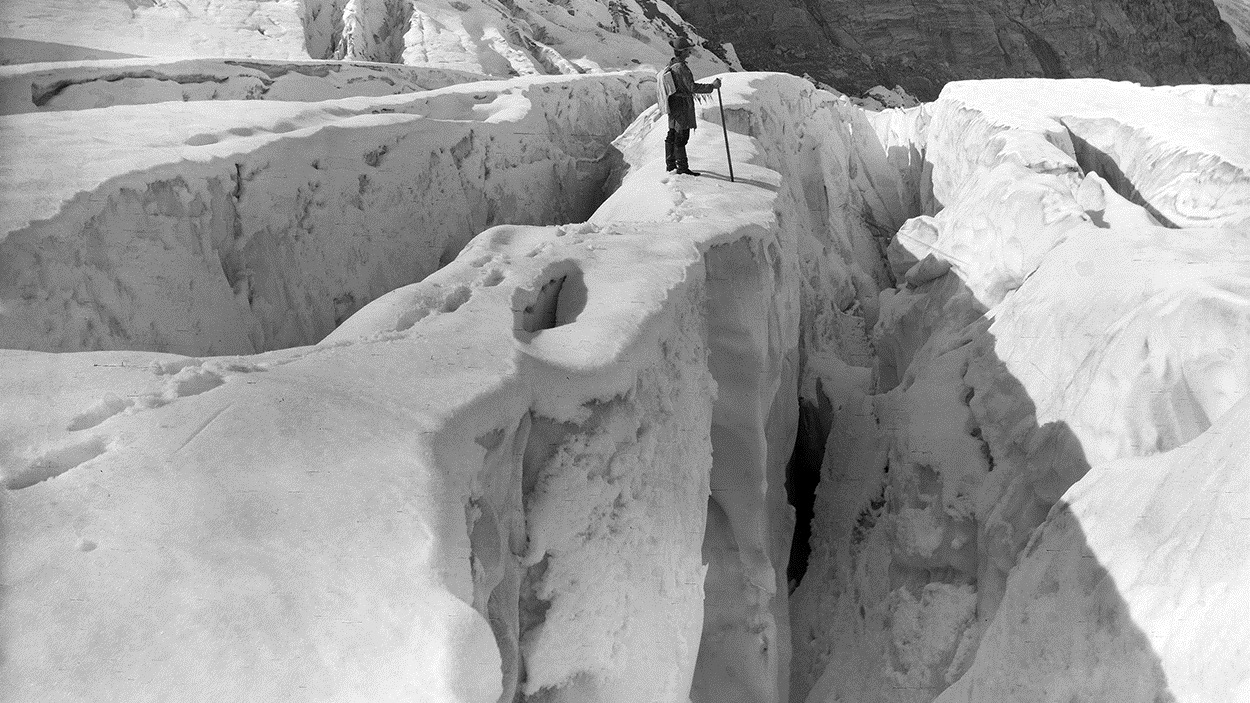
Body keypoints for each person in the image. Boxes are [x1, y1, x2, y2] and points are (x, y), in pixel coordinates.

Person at [656, 37, 721, 176]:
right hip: (682, 105)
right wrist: (712, 86)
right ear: (683, 51)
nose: (690, 53)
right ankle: (682, 168)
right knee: (681, 136)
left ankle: (671, 165)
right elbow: (691, 87)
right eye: (688, 50)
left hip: (673, 104)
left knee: (672, 133)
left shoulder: (672, 64)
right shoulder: (681, 67)